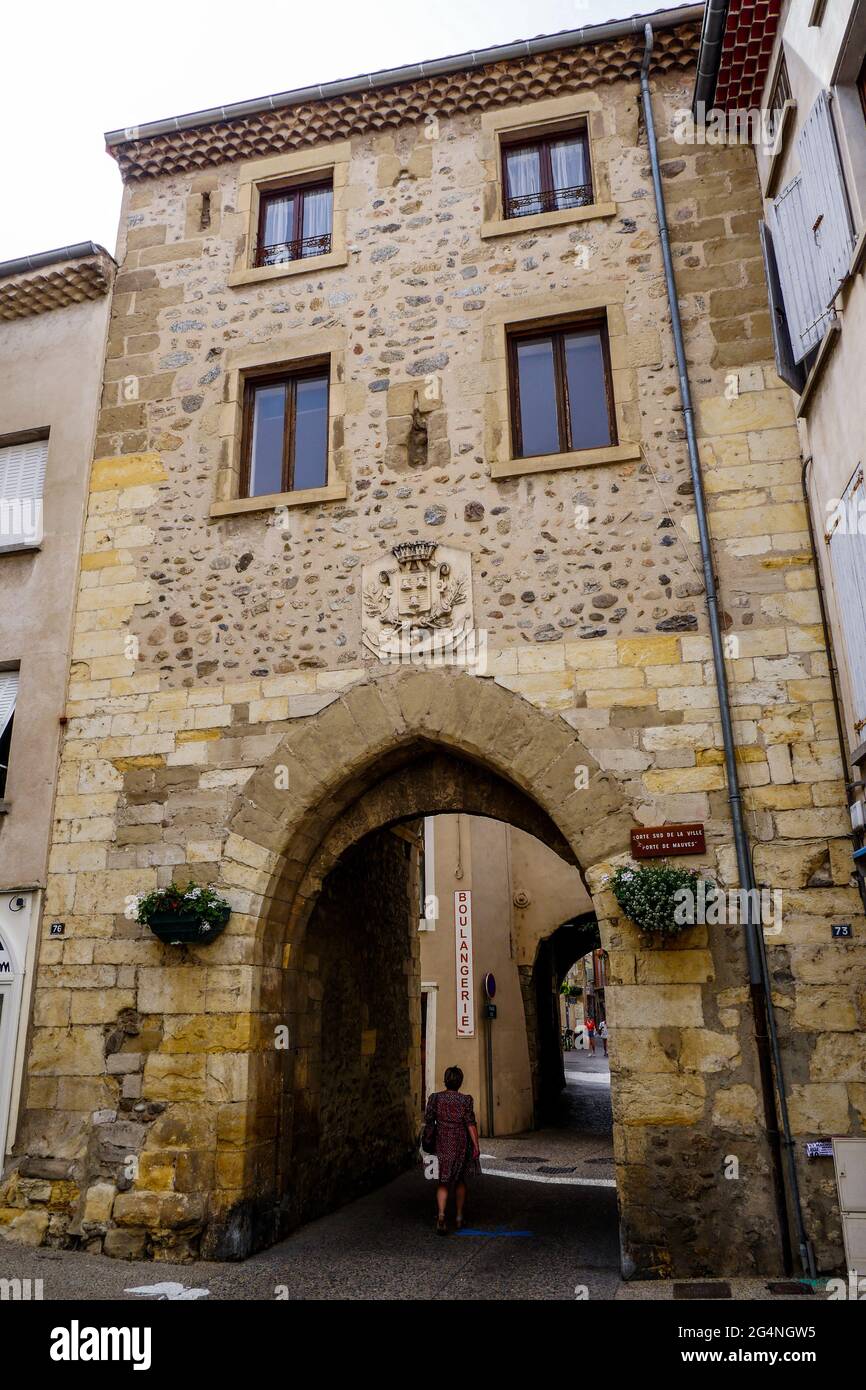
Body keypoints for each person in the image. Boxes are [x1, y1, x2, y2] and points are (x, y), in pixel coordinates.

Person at [422, 1065, 481, 1235]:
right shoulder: (465, 1100)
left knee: (442, 1181)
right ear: (460, 1082)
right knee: (460, 1180)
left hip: (441, 1142)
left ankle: (441, 1215)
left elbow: (429, 1120)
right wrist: (476, 1146)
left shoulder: (435, 1098)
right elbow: (470, 1124)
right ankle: (459, 1216)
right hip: (460, 1143)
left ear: (445, 1080)